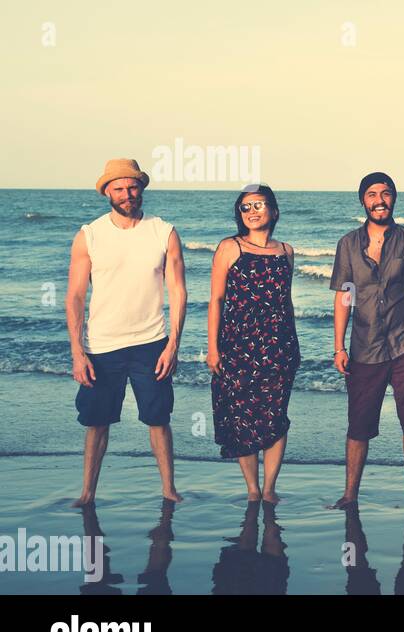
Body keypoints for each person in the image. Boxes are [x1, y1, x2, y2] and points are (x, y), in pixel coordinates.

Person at [67, 158, 187, 506]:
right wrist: (78, 352)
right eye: (118, 188)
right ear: (107, 192)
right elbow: (75, 296)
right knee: (97, 421)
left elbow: (178, 291)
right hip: (102, 345)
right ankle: (87, 492)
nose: (127, 193)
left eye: (132, 186)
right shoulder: (89, 235)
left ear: (141, 188)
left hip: (152, 343)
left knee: (158, 418)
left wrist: (173, 346)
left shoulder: (163, 231)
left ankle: (169, 489)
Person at [329, 172, 404, 508]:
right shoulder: (348, 244)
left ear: (394, 197)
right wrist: (338, 345)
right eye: (371, 195)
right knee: (359, 423)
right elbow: (343, 296)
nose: (379, 200)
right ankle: (350, 494)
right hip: (364, 347)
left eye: (385, 193)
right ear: (363, 201)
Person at [207, 185, 300, 502]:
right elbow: (216, 300)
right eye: (246, 207)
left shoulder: (286, 251)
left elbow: (285, 302)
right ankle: (252, 488)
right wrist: (213, 347)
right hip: (237, 345)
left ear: (274, 210)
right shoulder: (229, 247)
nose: (253, 211)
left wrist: (294, 346)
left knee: (276, 415)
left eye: (259, 205)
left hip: (279, 346)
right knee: (241, 415)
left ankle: (270, 487)